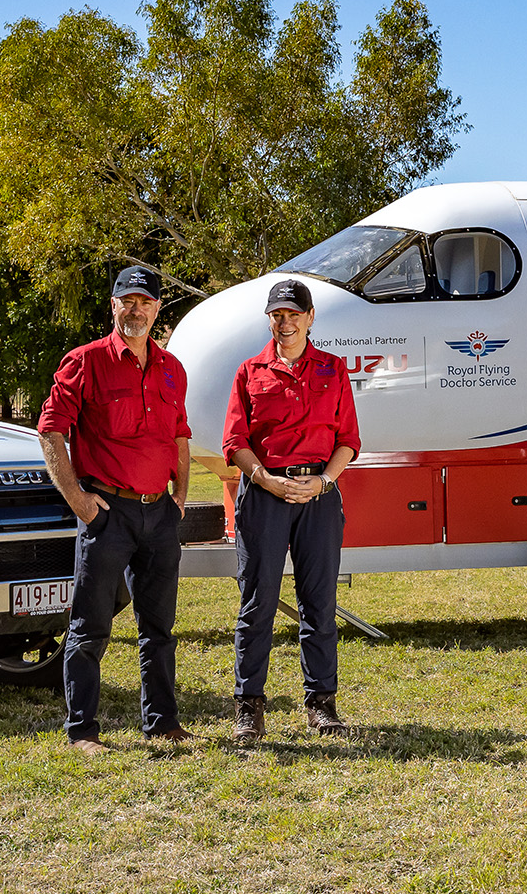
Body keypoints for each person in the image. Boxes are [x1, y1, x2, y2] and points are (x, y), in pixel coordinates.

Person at [37, 266, 197, 753]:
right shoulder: (84, 362)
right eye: (127, 301)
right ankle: (82, 731)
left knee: (160, 629)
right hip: (108, 514)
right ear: (113, 306)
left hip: (159, 515)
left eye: (145, 302)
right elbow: (50, 430)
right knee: (90, 629)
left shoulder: (172, 367)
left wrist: (180, 497)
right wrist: (80, 503)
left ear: (157, 310)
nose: (136, 310)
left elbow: (180, 435)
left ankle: (163, 722)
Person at [221, 278, 361, 742]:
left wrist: (322, 481)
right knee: (257, 602)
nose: (284, 322)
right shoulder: (249, 371)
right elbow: (235, 442)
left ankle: (321, 705)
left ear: (310, 317)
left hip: (318, 494)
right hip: (264, 493)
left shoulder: (333, 369)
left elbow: (348, 441)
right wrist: (267, 481)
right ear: (269, 319)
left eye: (293, 314)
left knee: (319, 603)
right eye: (277, 315)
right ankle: (249, 707)